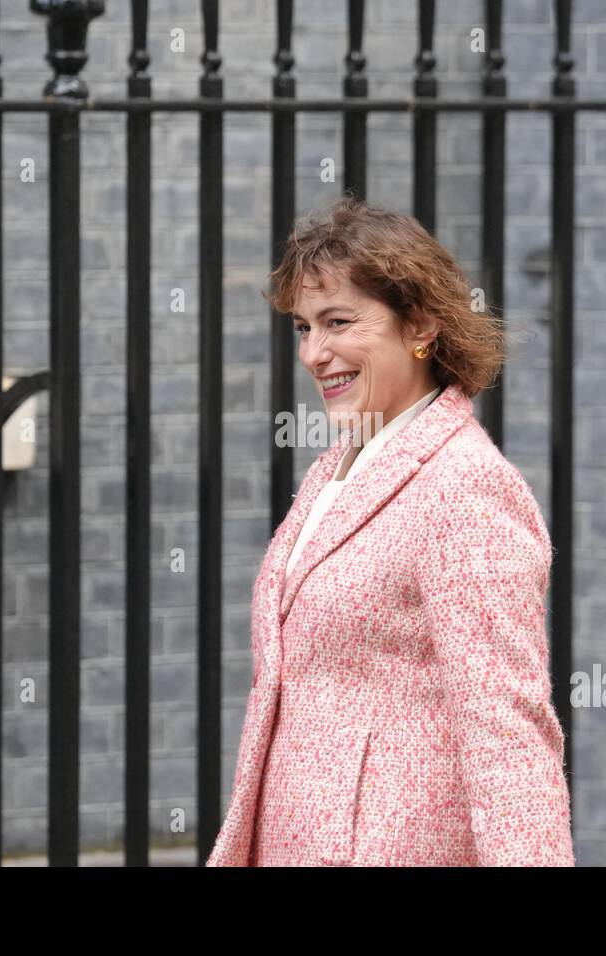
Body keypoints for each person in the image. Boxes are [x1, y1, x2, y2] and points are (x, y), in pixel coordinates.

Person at [206, 196, 575, 866]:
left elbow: (507, 730)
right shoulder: (345, 462)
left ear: (422, 327)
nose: (315, 353)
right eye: (303, 328)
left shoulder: (463, 486)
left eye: (339, 322)